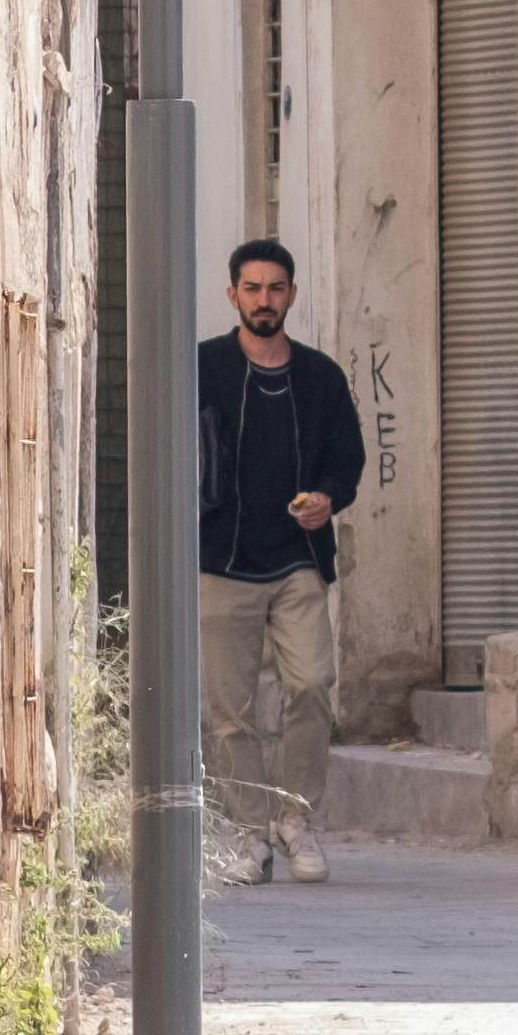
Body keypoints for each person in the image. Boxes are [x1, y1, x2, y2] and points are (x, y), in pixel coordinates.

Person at [198, 237, 368, 883]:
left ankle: (294, 819)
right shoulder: (204, 367)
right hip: (221, 560)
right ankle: (248, 834)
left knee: (310, 685)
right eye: (252, 288)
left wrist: (328, 497)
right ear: (233, 294)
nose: (264, 299)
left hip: (297, 559)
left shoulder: (320, 376)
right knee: (230, 712)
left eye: (275, 288)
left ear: (291, 294)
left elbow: (346, 459)